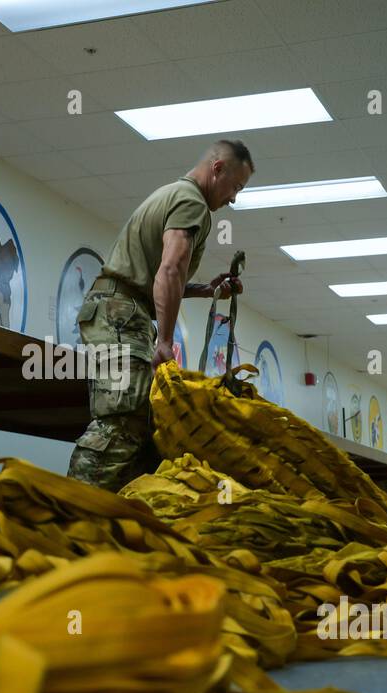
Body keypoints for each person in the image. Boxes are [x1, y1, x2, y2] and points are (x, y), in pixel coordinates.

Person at [67, 139, 254, 492]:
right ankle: (72, 508)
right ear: (218, 170)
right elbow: (169, 269)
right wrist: (165, 342)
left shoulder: (177, 195)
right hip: (120, 310)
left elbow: (163, 275)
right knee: (125, 415)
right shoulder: (192, 203)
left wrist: (205, 290)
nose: (233, 198)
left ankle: (119, 511)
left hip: (120, 307)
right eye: (235, 187)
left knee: (146, 422)